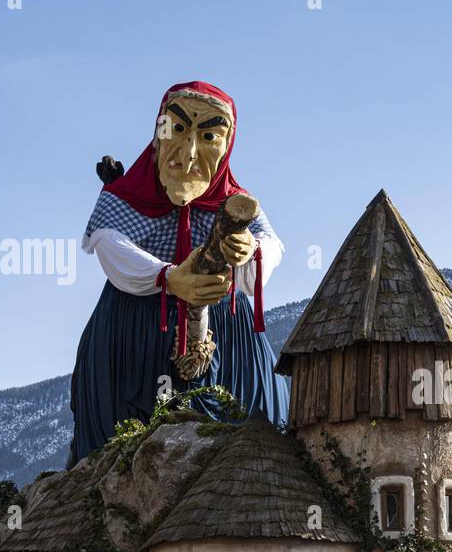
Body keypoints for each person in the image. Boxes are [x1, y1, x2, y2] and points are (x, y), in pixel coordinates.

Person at [68, 81, 290, 466]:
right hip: (136, 330)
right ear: (158, 133)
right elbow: (110, 247)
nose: (189, 154)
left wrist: (251, 252)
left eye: (208, 136)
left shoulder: (235, 203)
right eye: (178, 129)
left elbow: (270, 248)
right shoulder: (126, 197)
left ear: (227, 145)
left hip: (228, 336)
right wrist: (167, 277)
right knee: (122, 443)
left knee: (246, 430)